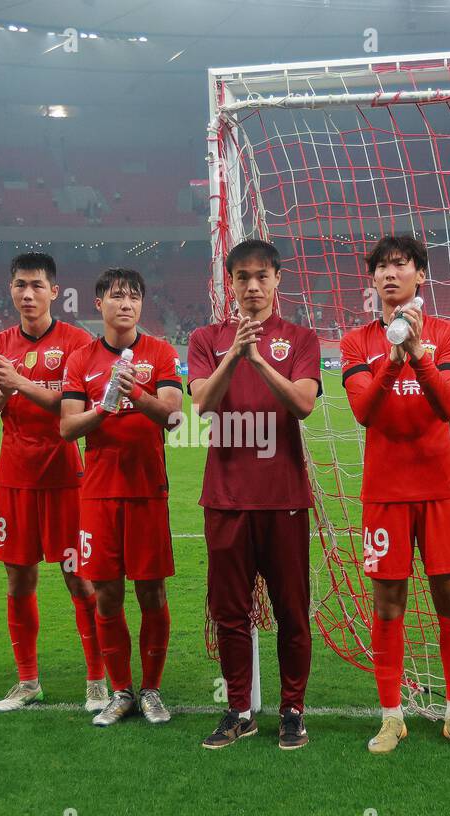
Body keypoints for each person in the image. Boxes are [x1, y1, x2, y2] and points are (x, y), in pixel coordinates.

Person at [339, 236, 450, 755]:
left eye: (401, 264)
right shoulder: (356, 342)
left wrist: (416, 352)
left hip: (440, 490)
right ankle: (391, 716)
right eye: (381, 267)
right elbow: (364, 412)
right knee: (388, 603)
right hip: (384, 493)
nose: (390, 273)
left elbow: (448, 405)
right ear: (373, 280)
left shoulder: (447, 334)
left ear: (420, 275)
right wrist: (394, 361)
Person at [186, 239, 321, 750]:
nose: (252, 287)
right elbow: (201, 404)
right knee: (230, 612)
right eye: (242, 277)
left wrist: (260, 361)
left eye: (262, 276)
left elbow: (304, 404)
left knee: (291, 610)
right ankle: (238, 709)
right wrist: (234, 356)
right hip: (225, 498)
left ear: (277, 280)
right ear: (231, 283)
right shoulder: (205, 338)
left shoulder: (300, 338)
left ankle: (292, 710)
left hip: (284, 497)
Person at [0, 253, 106, 714]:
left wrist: (19, 381)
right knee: (19, 581)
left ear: (55, 290)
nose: (27, 294)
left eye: (36, 285)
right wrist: (5, 388)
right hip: (14, 478)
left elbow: (78, 412)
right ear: (10, 290)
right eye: (19, 285)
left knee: (80, 581)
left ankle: (96, 681)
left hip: (65, 478)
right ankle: (27, 681)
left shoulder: (77, 342)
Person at [59, 268, 182, 727]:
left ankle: (151, 689)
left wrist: (137, 393)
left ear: (142, 305)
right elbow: (67, 427)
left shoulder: (162, 352)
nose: (125, 303)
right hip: (99, 495)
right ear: (100, 304)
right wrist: (103, 405)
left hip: (148, 490)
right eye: (116, 296)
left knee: (151, 590)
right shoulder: (81, 359)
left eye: (133, 297)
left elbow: (173, 418)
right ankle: (121, 691)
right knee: (106, 595)